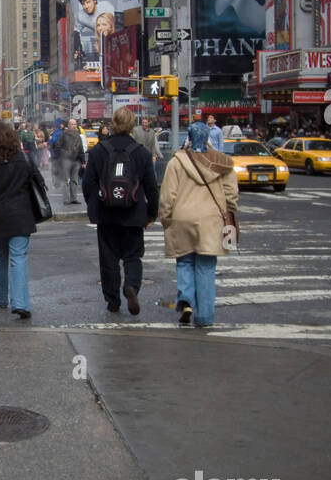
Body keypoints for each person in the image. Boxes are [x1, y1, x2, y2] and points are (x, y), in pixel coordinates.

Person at [158, 121, 239, 329]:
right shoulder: (223, 162)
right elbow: (231, 195)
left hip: (182, 218)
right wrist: (228, 210)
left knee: (184, 261)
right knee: (206, 267)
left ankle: (185, 301)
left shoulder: (176, 162)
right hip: (211, 220)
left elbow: (168, 196)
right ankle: (204, 317)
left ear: (190, 138)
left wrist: (166, 218)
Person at [83, 107, 158, 315]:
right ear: (133, 125)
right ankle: (131, 286)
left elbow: (88, 183)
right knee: (133, 256)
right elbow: (152, 187)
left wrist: (93, 206)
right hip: (133, 214)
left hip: (106, 214)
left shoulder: (98, 151)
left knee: (108, 259)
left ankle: (112, 301)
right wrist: (152, 213)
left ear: (113, 124)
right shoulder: (141, 153)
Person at [0, 122, 41, 319]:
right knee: (18, 257)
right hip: (21, 214)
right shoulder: (23, 158)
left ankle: (1, 297)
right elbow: (38, 181)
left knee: (0, 255)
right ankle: (21, 303)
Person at [57, 118, 85, 204]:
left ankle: (74, 198)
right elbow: (58, 147)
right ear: (68, 125)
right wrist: (65, 154)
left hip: (75, 161)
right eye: (71, 124)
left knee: (74, 180)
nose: (73, 126)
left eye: (74, 124)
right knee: (65, 180)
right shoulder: (63, 135)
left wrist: (83, 161)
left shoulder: (78, 136)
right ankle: (66, 199)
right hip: (66, 161)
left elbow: (81, 149)